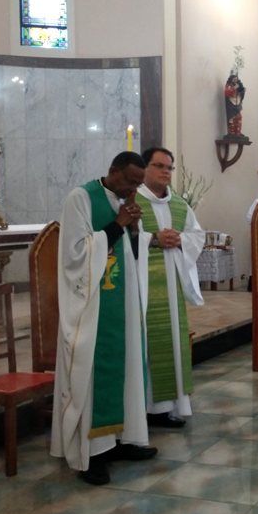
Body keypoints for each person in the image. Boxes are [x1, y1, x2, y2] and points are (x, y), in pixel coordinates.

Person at [50, 152, 158, 486]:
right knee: (95, 374)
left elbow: (130, 255)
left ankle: (121, 440)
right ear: (112, 171)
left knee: (128, 367)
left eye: (138, 184)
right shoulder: (81, 198)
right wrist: (118, 225)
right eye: (129, 181)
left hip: (122, 303)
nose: (133, 189)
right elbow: (75, 256)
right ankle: (94, 454)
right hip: (94, 307)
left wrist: (135, 231)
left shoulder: (126, 203)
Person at [136, 147, 206, 429]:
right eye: (159, 166)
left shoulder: (179, 205)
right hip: (141, 289)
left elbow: (197, 236)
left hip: (171, 287)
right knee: (144, 345)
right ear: (144, 168)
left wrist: (180, 240)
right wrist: (152, 239)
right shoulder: (131, 202)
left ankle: (165, 408)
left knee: (172, 344)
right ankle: (140, 409)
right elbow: (120, 238)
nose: (166, 172)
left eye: (169, 167)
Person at [224, 72, 246, 136]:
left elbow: (241, 93)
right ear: (231, 79)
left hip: (237, 104)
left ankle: (238, 132)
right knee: (232, 119)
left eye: (236, 79)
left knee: (239, 117)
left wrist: (243, 90)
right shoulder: (229, 85)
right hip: (231, 105)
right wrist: (234, 88)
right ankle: (232, 132)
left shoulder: (238, 85)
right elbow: (227, 93)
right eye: (234, 79)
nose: (236, 80)